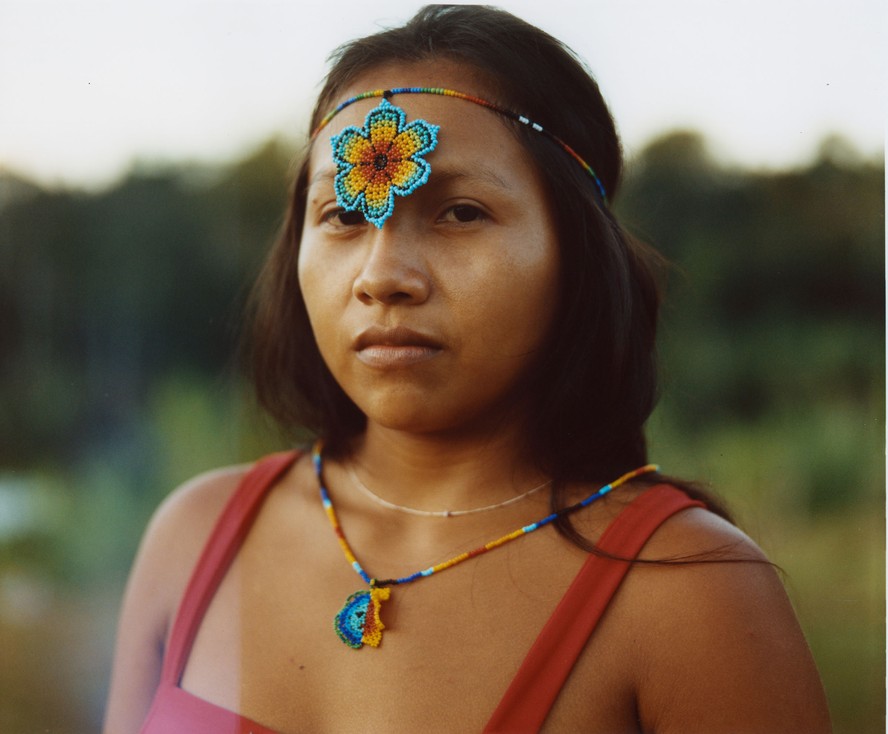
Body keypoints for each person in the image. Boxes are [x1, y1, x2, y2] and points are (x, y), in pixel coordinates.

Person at [103, 5, 831, 732]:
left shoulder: (688, 595)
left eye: (459, 213)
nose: (382, 275)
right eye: (343, 216)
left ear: (575, 253)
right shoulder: (195, 536)